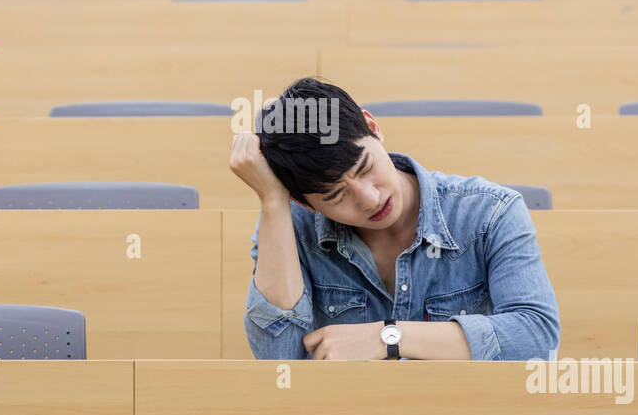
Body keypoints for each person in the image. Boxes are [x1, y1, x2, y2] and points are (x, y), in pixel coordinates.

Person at [229, 77, 560, 360]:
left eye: (367, 168)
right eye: (336, 197)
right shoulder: (291, 228)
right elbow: (279, 357)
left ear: (373, 127)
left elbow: (537, 339)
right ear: (304, 203)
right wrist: (272, 201)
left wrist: (387, 338)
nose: (371, 199)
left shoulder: (491, 212)